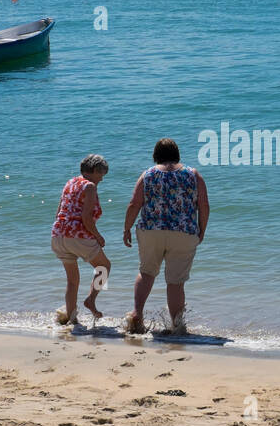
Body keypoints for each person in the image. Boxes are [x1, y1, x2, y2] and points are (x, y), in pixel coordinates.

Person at [121, 138, 209, 335]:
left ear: (156, 155)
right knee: (176, 281)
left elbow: (134, 204)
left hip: (151, 230)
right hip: (183, 232)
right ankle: (177, 325)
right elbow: (203, 205)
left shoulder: (148, 174)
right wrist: (202, 229)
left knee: (146, 272)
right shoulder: (193, 174)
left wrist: (126, 229)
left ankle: (137, 314)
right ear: (177, 153)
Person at [50, 154, 111, 326]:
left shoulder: (69, 182)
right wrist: (98, 236)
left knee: (72, 280)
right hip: (77, 236)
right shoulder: (90, 186)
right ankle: (91, 299)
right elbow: (86, 218)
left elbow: (58, 212)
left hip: (58, 235)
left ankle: (71, 318)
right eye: (101, 175)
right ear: (93, 171)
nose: (101, 179)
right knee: (104, 267)